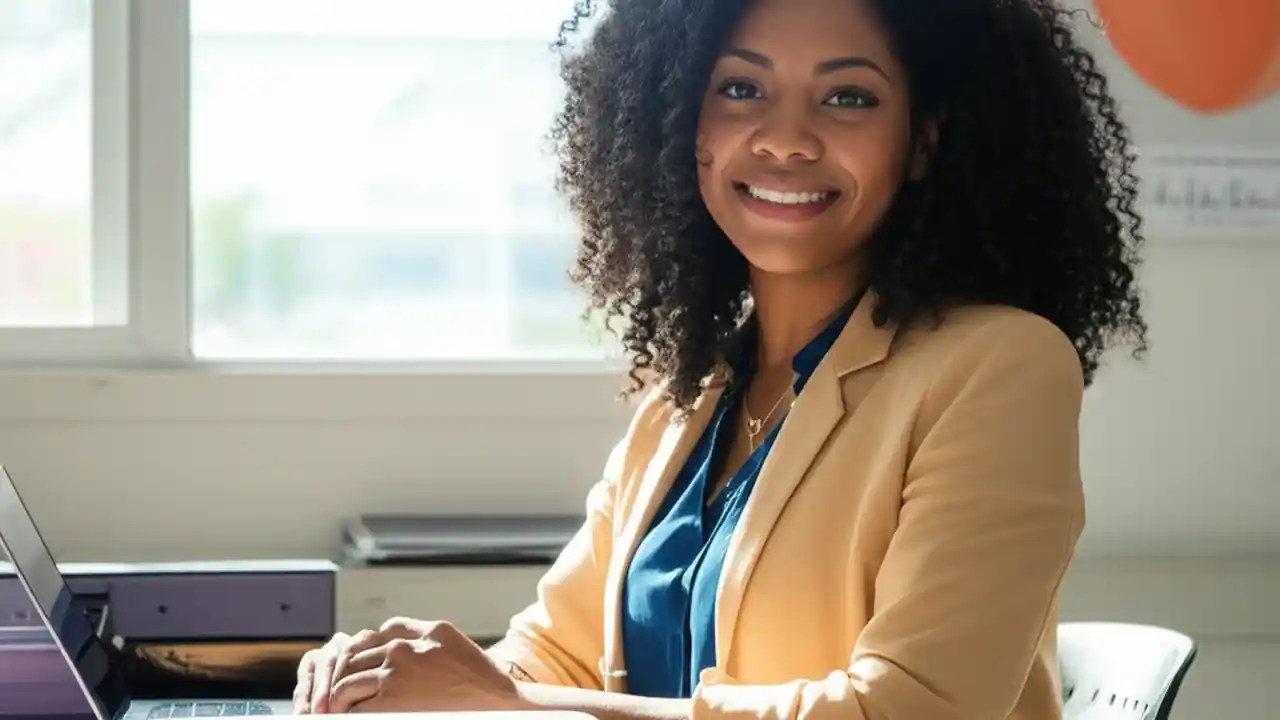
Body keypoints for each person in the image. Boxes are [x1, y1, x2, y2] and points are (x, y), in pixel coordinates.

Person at [293, 0, 1148, 716]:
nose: (784, 139)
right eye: (740, 89)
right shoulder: (687, 397)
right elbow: (552, 653)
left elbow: (910, 708)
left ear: (923, 142)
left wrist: (509, 705)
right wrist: (392, 672)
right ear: (682, 124)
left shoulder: (1000, 367)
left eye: (848, 98)